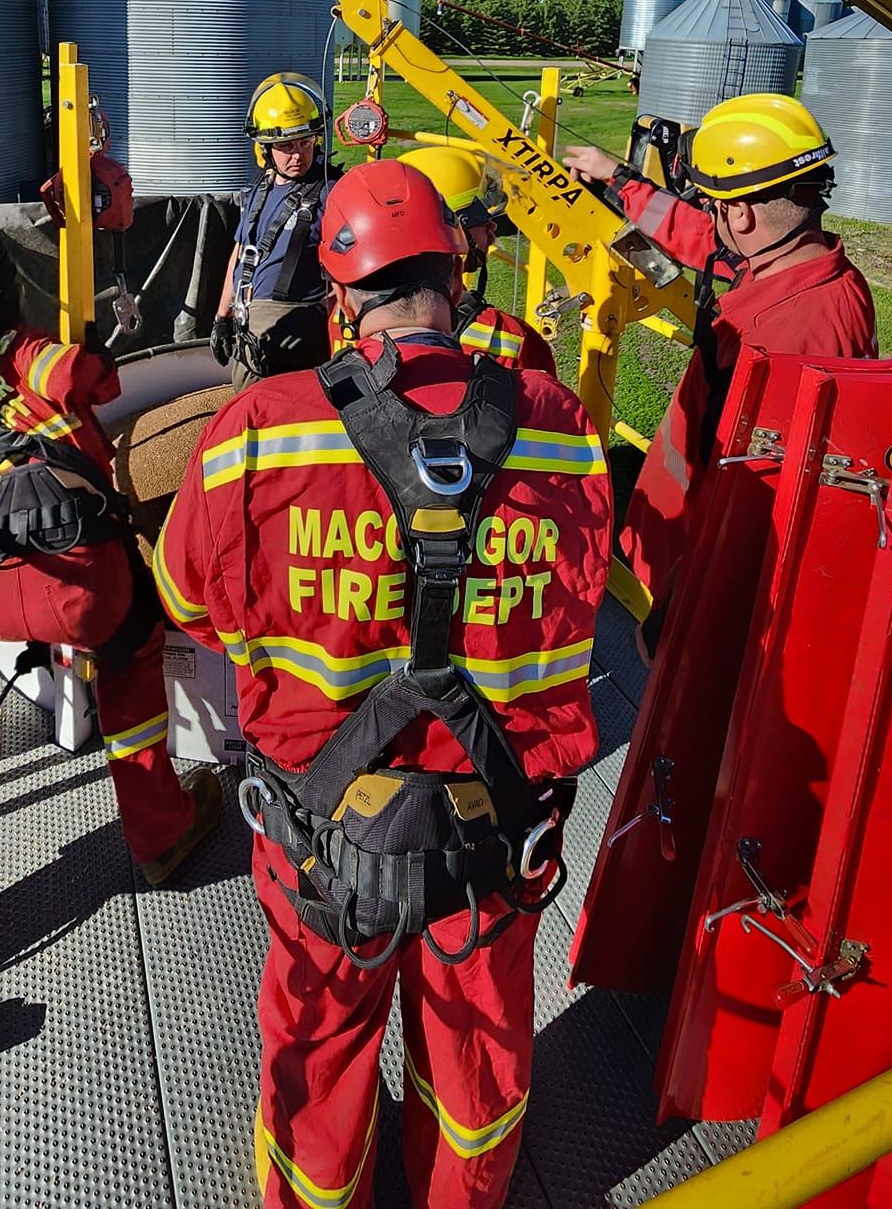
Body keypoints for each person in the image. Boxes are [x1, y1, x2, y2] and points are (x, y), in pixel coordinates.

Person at [157, 159, 614, 1209]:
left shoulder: (259, 428)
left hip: (321, 839)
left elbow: (185, 595)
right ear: (459, 277)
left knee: (318, 1057)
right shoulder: (564, 428)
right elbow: (582, 597)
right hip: (495, 837)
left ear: (338, 297)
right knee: (478, 1060)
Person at [0, 150, 221, 886]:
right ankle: (160, 832)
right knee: (133, 659)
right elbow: (95, 378)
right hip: (84, 577)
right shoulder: (12, 352)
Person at [564, 93, 875, 640]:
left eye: (712, 203)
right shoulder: (810, 269)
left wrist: (680, 610)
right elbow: (697, 236)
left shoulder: (778, 341)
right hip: (673, 540)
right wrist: (618, 179)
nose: (708, 215)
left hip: (690, 570)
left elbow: (755, 501)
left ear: (743, 211)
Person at [211, 73, 333, 387]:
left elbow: (352, 266)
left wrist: (322, 311)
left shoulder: (331, 193)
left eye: (306, 142)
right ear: (265, 148)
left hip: (297, 333)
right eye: (286, 145)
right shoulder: (257, 190)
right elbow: (240, 253)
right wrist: (221, 318)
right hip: (247, 329)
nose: (298, 154)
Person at [400, 142, 557, 376]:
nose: (492, 227)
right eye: (482, 221)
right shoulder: (507, 336)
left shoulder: (343, 313)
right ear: (455, 228)